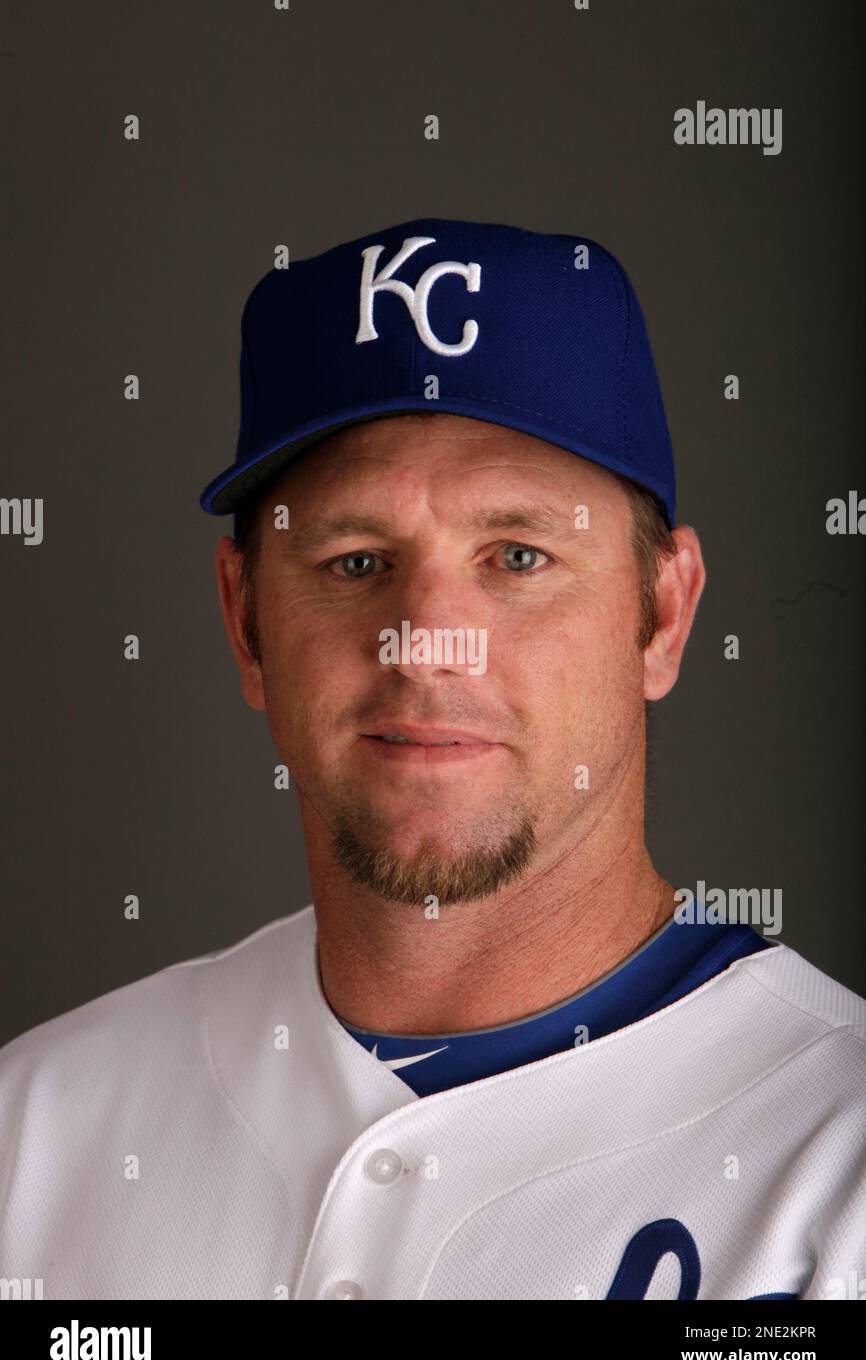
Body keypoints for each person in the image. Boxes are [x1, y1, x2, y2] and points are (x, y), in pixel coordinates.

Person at [1, 218, 863, 1301]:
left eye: (516, 556)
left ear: (660, 613)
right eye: (354, 560)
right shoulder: (34, 1135)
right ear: (245, 622)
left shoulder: (837, 1172)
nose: (424, 641)